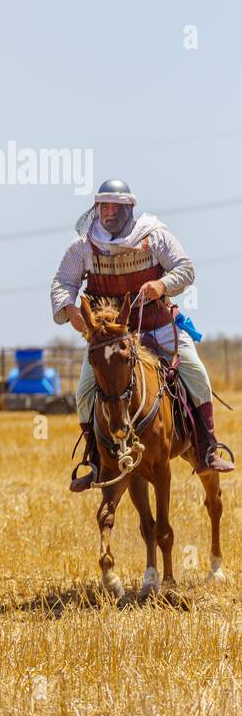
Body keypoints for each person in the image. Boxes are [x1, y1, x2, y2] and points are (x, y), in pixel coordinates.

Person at [52, 178, 234, 490]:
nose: (107, 212)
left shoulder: (154, 236)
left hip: (158, 327)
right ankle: (94, 460)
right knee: (84, 392)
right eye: (102, 206)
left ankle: (206, 448)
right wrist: (70, 310)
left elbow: (185, 268)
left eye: (113, 206)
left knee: (197, 374)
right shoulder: (83, 245)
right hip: (108, 340)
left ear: (128, 208)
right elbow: (62, 282)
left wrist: (162, 285)